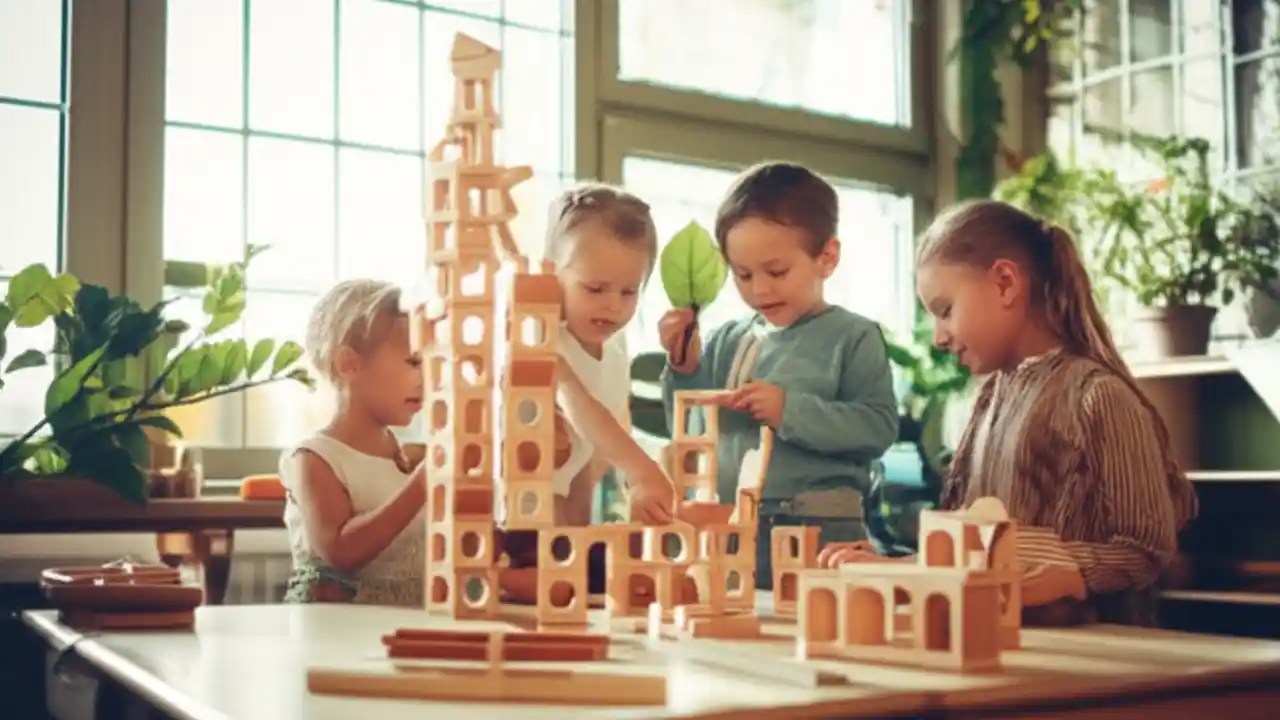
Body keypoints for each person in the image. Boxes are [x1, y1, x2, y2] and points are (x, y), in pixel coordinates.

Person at [818, 199, 1199, 626]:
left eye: (946, 310)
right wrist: (910, 566)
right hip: (997, 644)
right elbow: (973, 550)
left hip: (1087, 658)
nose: (939, 337)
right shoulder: (986, 402)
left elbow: (1145, 549)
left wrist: (1062, 576)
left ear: (1004, 283)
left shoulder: (1100, 397)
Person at [659, 161, 900, 590]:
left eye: (776, 272)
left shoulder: (853, 336)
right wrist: (683, 369)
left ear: (827, 257)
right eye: (743, 275)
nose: (759, 291)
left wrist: (788, 410)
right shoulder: (725, 339)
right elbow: (691, 433)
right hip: (732, 530)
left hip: (820, 533)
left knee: (816, 629)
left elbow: (878, 428)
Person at [500, 184, 677, 603]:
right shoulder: (540, 338)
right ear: (551, 275)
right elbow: (576, 405)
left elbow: (590, 455)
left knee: (586, 564)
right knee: (555, 564)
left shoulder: (614, 349)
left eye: (629, 291)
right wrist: (640, 469)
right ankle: (502, 577)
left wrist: (576, 534)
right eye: (594, 289)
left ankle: (544, 574)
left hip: (560, 499)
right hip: (508, 504)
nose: (613, 306)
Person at [280, 279, 426, 606]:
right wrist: (422, 484)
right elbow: (340, 551)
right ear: (349, 364)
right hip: (334, 637)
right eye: (415, 362)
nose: (427, 377)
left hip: (401, 632)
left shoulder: (406, 460)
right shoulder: (315, 459)